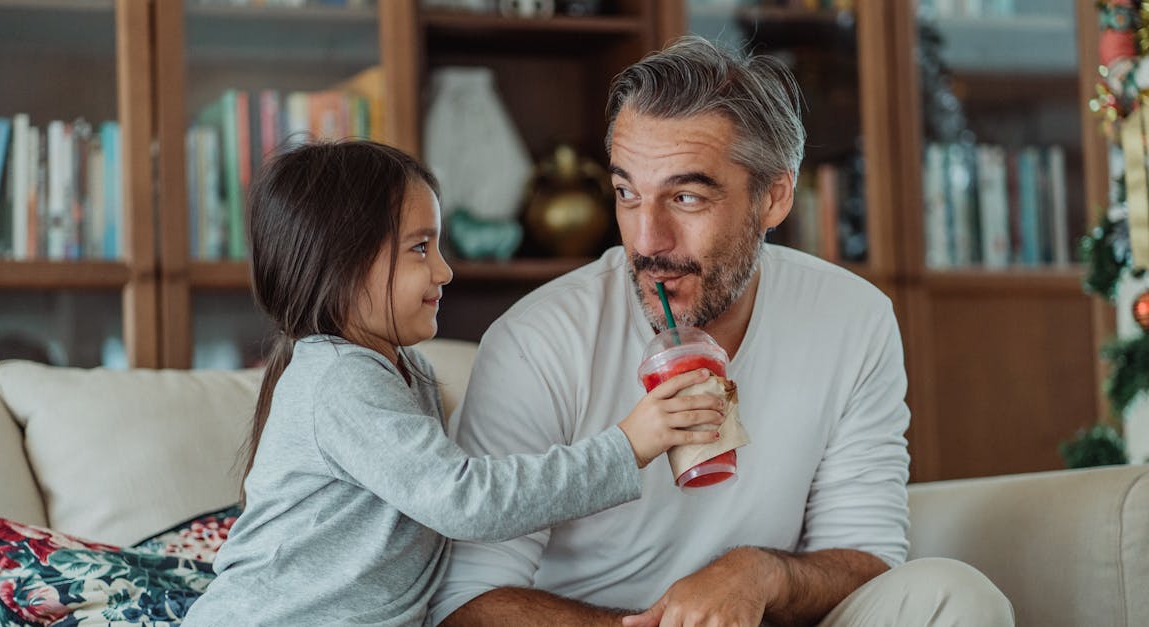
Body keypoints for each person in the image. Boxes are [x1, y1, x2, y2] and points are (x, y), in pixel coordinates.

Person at [431, 37, 1015, 626]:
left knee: (953, 593)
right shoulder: (540, 340)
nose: (647, 240)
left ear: (774, 197)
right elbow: (468, 602)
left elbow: (867, 555)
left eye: (685, 197)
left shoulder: (852, 317)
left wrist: (761, 573)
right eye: (628, 194)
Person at [180, 140, 729, 626]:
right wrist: (628, 446)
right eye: (421, 248)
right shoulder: (339, 380)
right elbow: (465, 501)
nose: (444, 271)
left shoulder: (404, 369)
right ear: (343, 264)